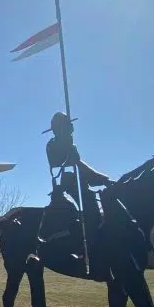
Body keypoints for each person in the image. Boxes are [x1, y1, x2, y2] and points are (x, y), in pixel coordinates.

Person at [34, 112, 113, 262]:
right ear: (60, 129)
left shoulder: (71, 145)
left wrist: (103, 179)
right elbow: (60, 163)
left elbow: (80, 165)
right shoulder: (52, 145)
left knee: (99, 208)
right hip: (64, 186)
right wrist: (66, 144)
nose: (72, 129)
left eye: (71, 127)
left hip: (79, 185)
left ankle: (98, 247)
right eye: (69, 126)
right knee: (84, 212)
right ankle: (80, 249)